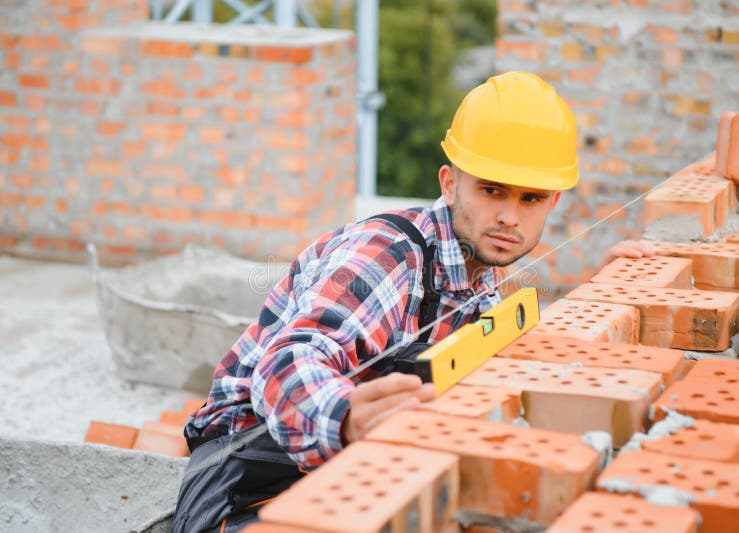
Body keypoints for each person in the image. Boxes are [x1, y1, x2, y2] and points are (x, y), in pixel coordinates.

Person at [171, 71, 653, 532]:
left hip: (351, 471)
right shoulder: (387, 257)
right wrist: (345, 419)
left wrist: (596, 299)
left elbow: (506, 361)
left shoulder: (477, 277)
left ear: (552, 203)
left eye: (530, 199)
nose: (509, 216)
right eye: (491, 190)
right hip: (240, 481)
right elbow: (287, 360)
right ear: (449, 183)